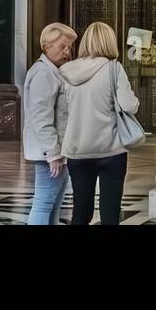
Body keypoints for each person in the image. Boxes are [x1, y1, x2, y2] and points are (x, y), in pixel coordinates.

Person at [59, 21, 140, 225]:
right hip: (110, 151)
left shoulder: (66, 71)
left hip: (77, 151)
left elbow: (61, 113)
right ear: (109, 42)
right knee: (110, 212)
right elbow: (129, 105)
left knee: (81, 211)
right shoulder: (114, 68)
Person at [23, 22, 76, 225]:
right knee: (44, 203)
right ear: (46, 46)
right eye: (62, 46)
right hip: (49, 153)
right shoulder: (43, 73)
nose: (67, 52)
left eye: (69, 47)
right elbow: (40, 117)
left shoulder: (51, 71)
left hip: (55, 152)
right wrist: (53, 154)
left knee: (53, 203)